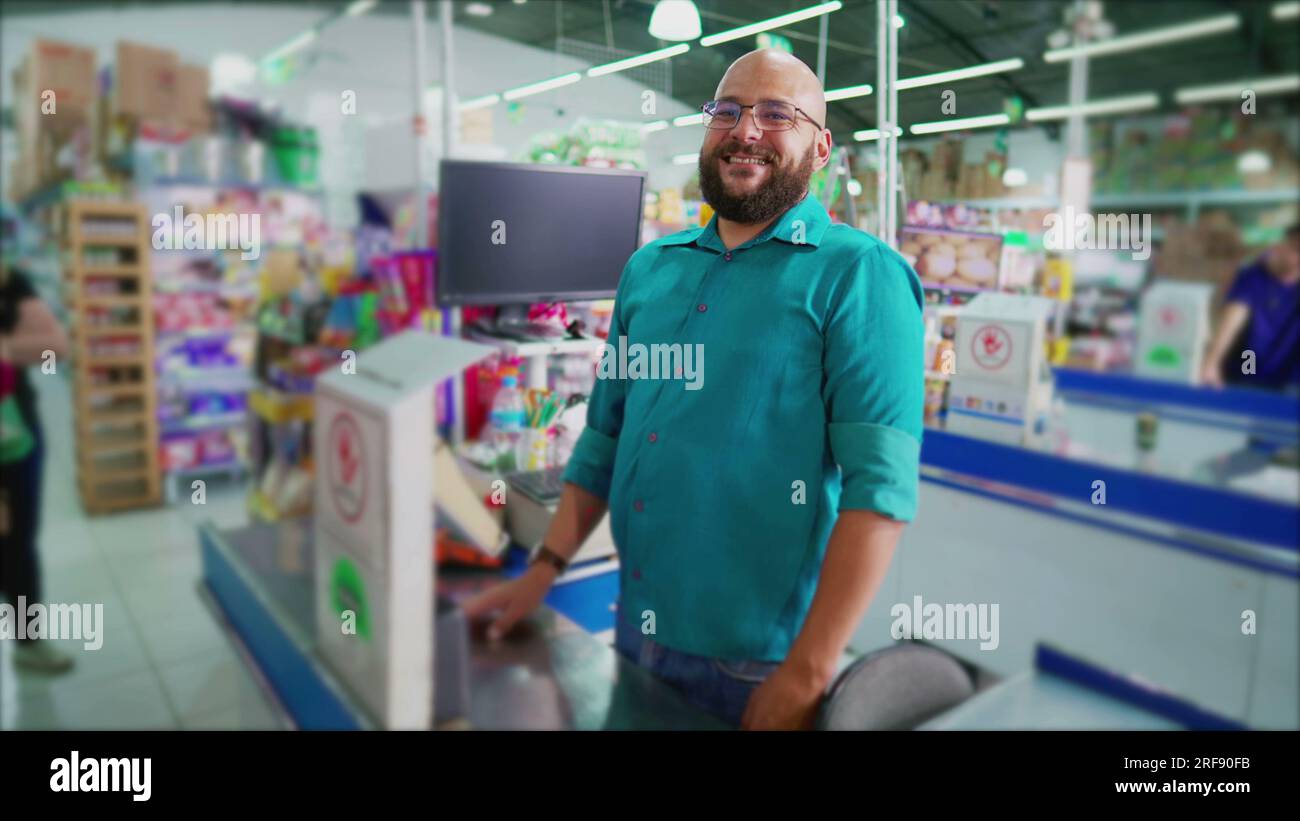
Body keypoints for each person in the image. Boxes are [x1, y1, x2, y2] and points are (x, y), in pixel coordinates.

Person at [463, 50, 924, 730]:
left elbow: (879, 491)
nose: (745, 132)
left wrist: (809, 669)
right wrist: (545, 567)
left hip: (756, 660)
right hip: (637, 626)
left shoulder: (860, 277)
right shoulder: (651, 270)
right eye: (728, 112)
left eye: (777, 114)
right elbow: (605, 435)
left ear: (821, 146)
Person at [1, 261, 74, 673]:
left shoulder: (14, 283)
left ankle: (28, 640)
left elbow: (55, 351)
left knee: (19, 540)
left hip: (17, 432)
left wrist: (7, 348)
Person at [1201, 225, 1299, 390]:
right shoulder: (1254, 277)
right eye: (1297, 249)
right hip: (1248, 370)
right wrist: (1211, 362)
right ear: (1281, 247)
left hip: (1289, 382)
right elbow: (1232, 319)